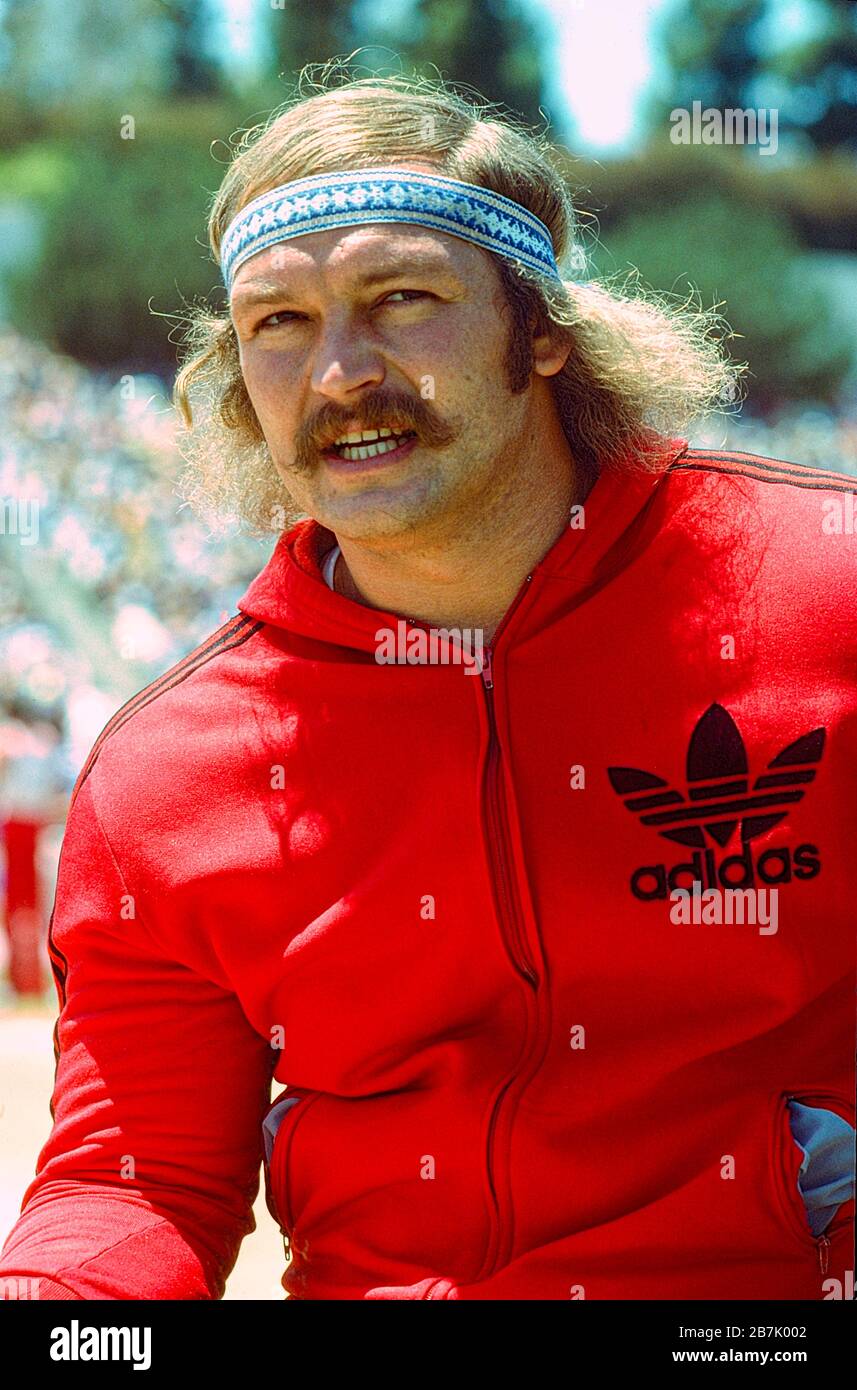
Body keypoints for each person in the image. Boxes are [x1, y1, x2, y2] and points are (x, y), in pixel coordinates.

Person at [0, 72, 854, 1302]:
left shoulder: (827, 596)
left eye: (401, 298)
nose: (341, 371)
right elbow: (134, 1185)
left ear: (544, 327)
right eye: (276, 323)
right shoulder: (166, 773)